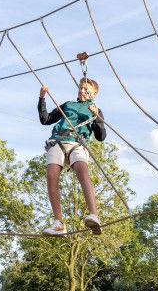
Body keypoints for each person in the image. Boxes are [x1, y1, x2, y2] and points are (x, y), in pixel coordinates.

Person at [38, 78, 105, 236]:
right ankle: (58, 223)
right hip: (58, 140)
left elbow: (101, 136)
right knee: (51, 175)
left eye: (86, 89)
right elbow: (45, 119)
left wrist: (96, 118)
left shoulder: (95, 110)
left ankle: (94, 215)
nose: (82, 91)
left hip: (77, 143)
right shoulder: (68, 105)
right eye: (81, 88)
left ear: (94, 93)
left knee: (82, 170)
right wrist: (42, 99)